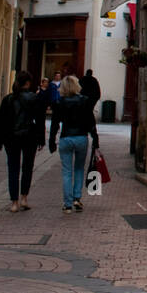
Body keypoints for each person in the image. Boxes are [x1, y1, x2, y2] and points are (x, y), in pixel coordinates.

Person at [0, 71, 47, 214]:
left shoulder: (8, 99)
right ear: (28, 83)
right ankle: (24, 198)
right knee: (27, 167)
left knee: (13, 168)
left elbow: (2, 121)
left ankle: (14, 202)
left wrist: (0, 141)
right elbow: (40, 120)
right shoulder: (35, 98)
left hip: (11, 137)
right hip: (29, 136)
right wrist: (41, 139)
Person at [48, 75, 99, 213]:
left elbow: (54, 124)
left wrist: (51, 140)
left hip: (66, 138)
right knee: (79, 168)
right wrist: (95, 137)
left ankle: (67, 203)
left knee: (66, 171)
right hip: (81, 137)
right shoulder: (84, 101)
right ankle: (77, 198)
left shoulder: (60, 103)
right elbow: (90, 121)